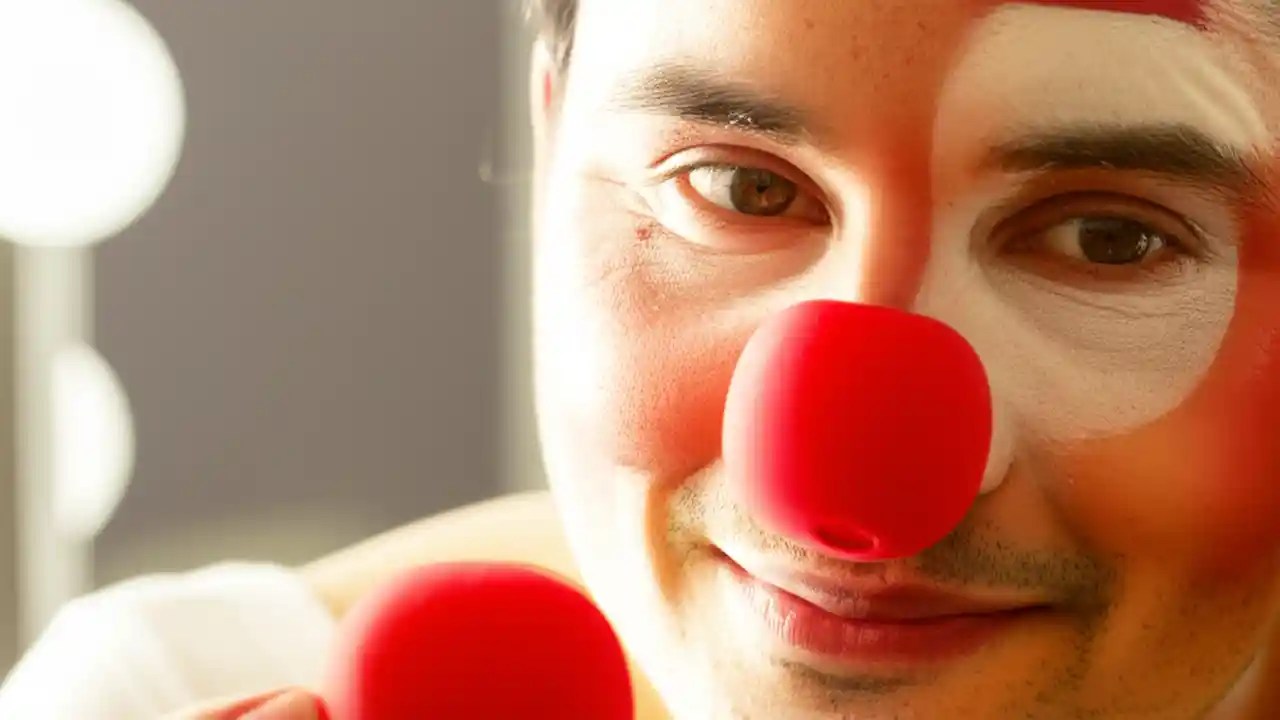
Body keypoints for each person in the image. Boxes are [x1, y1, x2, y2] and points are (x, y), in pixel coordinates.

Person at [4, 0, 1280, 717]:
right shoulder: (157, 698)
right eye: (736, 187)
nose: (848, 498)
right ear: (549, 149)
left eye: (1107, 238)